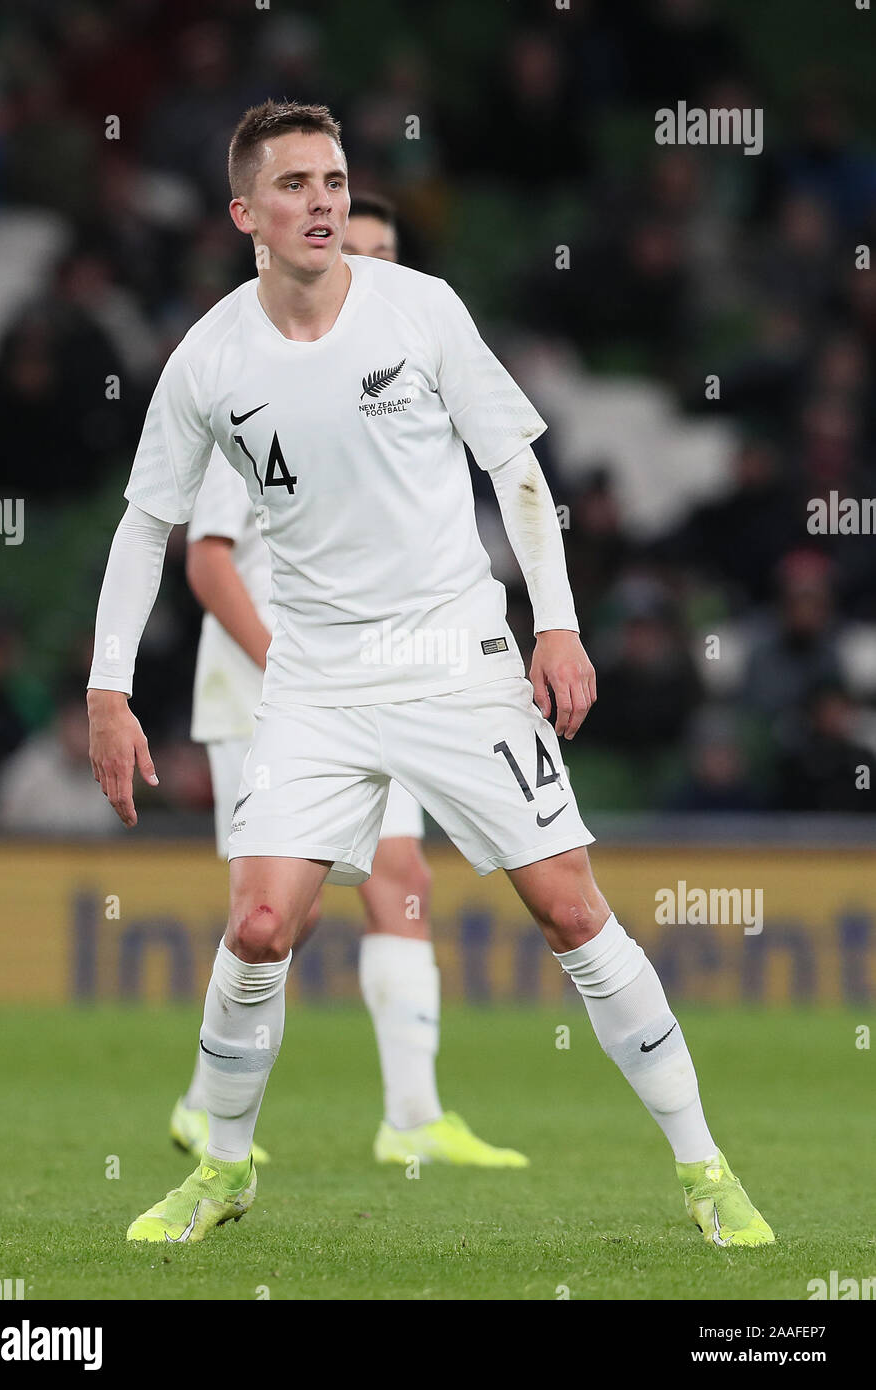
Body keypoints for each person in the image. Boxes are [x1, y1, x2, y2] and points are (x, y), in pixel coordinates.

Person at [87, 100, 772, 1250]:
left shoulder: (422, 311)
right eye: (296, 183)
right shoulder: (210, 356)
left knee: (569, 910)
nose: (323, 201)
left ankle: (705, 1169)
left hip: (457, 659)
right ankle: (222, 1165)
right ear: (243, 212)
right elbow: (143, 524)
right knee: (258, 926)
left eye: (335, 179)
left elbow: (516, 466)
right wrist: (108, 690)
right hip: (315, 679)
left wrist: (555, 623)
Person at [171, 193, 527, 1170]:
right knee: (280, 913)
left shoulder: (398, 387)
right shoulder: (256, 376)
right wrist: (291, 663)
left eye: (383, 253)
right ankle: (209, 1104)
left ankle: (411, 1113)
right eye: (352, 248)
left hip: (380, 671)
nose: (364, 269)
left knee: (400, 878)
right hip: (265, 682)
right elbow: (206, 560)